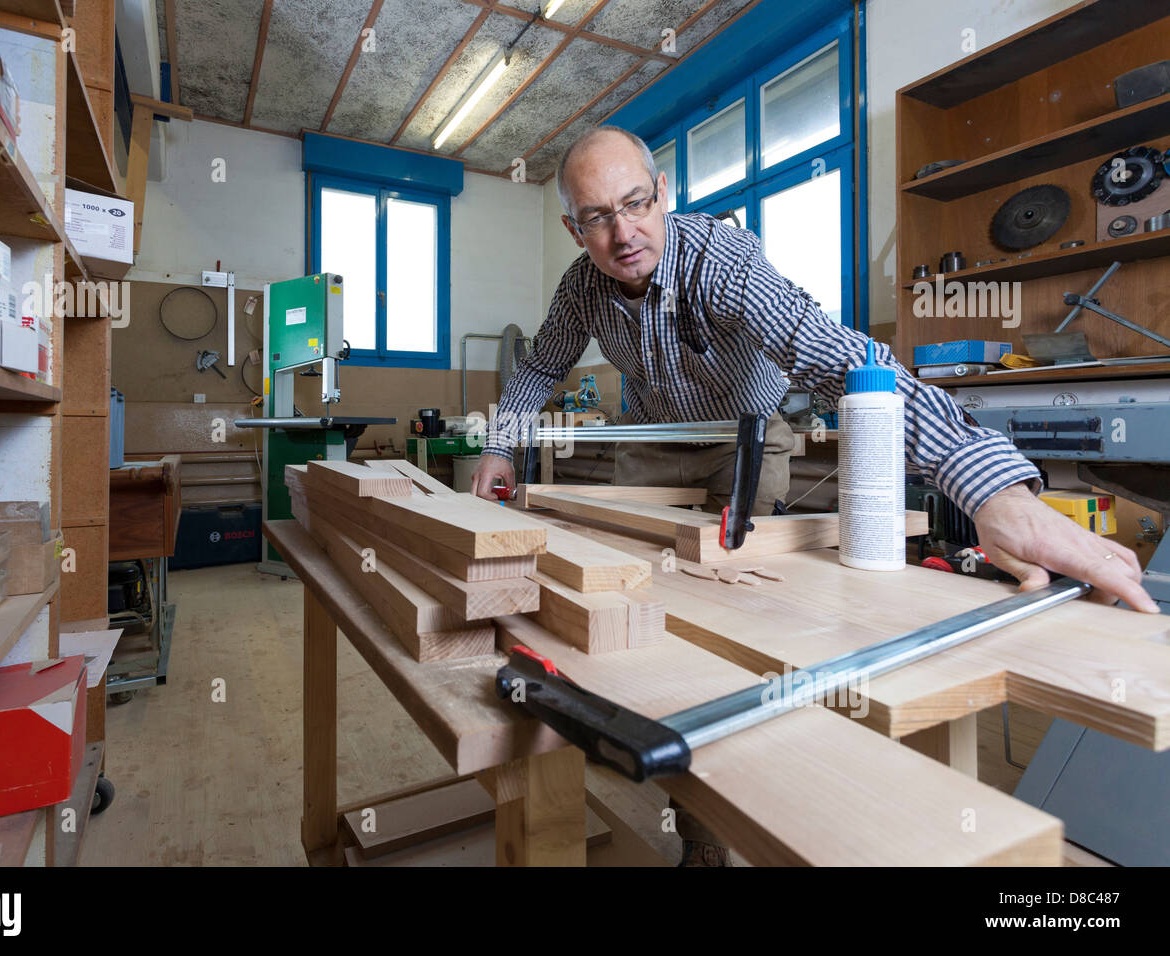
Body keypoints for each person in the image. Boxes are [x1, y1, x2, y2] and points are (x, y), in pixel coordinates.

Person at [470, 124, 1160, 864]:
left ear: (663, 193)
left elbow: (834, 356)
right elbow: (539, 368)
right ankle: (654, 746)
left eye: (635, 204)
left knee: (729, 596)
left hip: (747, 431)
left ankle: (720, 820)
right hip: (655, 433)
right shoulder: (581, 289)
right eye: (598, 219)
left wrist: (989, 488)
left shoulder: (723, 260)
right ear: (575, 228)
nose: (624, 232)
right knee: (634, 598)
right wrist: (500, 443)